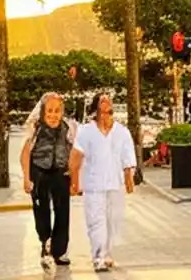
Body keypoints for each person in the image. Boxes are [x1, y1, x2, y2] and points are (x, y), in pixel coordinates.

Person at [70, 94, 137, 273]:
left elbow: (128, 156)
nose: (106, 113)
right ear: (96, 110)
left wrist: (129, 178)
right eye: (102, 107)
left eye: (109, 109)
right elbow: (76, 156)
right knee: (96, 221)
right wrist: (74, 181)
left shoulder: (122, 132)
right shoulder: (86, 131)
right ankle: (98, 257)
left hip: (115, 184)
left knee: (112, 221)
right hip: (94, 185)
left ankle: (107, 254)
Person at [21, 92, 77, 268]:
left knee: (63, 213)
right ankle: (45, 243)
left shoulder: (70, 128)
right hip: (39, 172)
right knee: (41, 212)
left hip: (61, 172)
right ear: (44, 112)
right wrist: (26, 178)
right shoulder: (35, 128)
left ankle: (59, 251)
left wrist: (75, 180)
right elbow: (25, 154)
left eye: (57, 111)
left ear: (62, 112)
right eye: (49, 111)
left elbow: (75, 155)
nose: (53, 115)